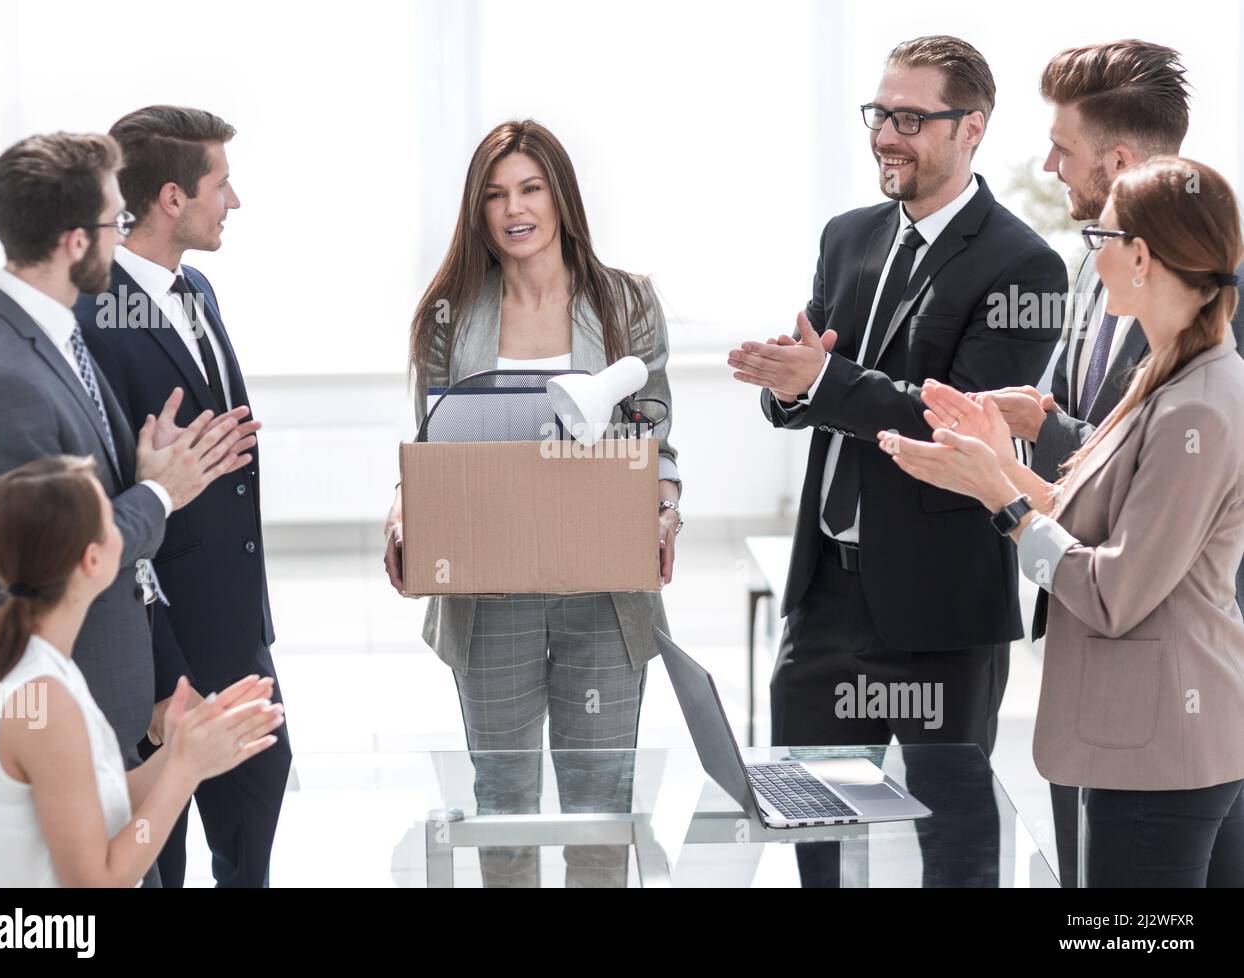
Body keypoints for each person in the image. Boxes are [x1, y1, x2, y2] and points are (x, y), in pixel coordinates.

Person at [726, 35, 1066, 886]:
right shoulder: (847, 237)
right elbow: (808, 386)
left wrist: (826, 381)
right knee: (812, 822)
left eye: (912, 118)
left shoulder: (1025, 264)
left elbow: (960, 426)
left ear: (971, 129)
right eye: (881, 114)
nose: (887, 135)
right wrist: (791, 382)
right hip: (824, 596)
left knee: (951, 828)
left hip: (940, 606)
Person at [881, 156, 1244, 887]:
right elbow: (1088, 514)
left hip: (1159, 749)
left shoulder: (1197, 403)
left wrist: (1005, 505)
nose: (1091, 256)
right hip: (1136, 740)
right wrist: (996, 464)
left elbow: (1114, 593)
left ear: (1140, 256)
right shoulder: (1167, 374)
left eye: (1099, 237)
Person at [0, 133, 258, 885]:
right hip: (60, 710)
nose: (126, 238)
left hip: (97, 715)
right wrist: (159, 492)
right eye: (118, 223)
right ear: (75, 240)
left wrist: (141, 468)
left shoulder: (55, 339)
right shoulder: (0, 376)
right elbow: (52, 557)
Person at [972, 39, 1244, 887]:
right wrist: (1020, 437)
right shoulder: (1097, 274)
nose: (1048, 164)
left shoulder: (1206, 368)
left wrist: (1006, 500)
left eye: (1063, 146)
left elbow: (1172, 494)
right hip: (1107, 679)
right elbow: (1097, 450)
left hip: (1173, 686)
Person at [383, 119, 681, 887]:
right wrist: (404, 509)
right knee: (504, 814)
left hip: (603, 592)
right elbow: (429, 446)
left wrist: (666, 504)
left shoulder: (626, 303)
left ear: (560, 197)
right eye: (494, 195)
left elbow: (656, 436)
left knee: (599, 817)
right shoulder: (450, 314)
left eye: (529, 189)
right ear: (477, 211)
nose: (514, 209)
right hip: (491, 593)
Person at [75, 106, 288, 889]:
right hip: (159, 637)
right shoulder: (95, 318)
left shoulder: (196, 287)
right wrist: (163, 676)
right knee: (157, 843)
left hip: (234, 625)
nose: (233, 202)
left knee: (257, 792)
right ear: (171, 198)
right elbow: (113, 498)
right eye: (220, 185)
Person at [0, 455, 282, 887]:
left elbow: (102, 801)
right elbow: (97, 881)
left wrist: (182, 748)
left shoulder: (39, 666)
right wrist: (184, 772)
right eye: (114, 522)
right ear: (92, 560)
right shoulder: (45, 701)